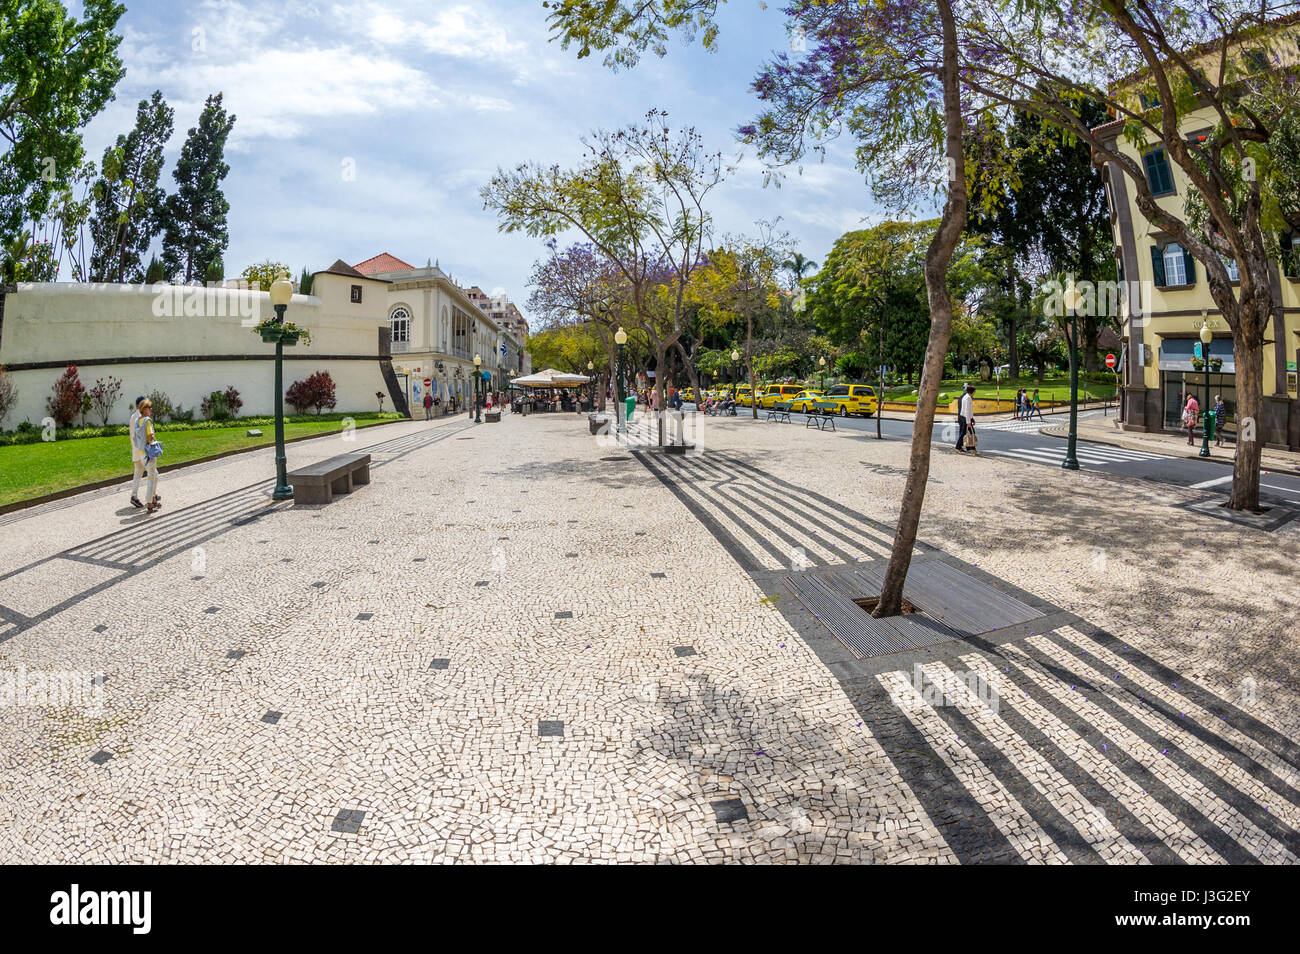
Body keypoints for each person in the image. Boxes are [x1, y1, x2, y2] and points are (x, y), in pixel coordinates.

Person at [132, 397, 162, 513]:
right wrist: (152, 439)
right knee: (151, 477)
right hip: (149, 453)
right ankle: (149, 503)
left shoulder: (137, 421)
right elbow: (150, 436)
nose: (151, 409)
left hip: (141, 453)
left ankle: (153, 498)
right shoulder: (147, 421)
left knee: (155, 474)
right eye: (149, 407)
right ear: (144, 409)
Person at [956, 384, 976, 453]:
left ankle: (969, 448)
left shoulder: (965, 397)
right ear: (972, 392)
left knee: (965, 433)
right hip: (965, 418)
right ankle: (970, 448)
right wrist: (968, 422)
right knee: (969, 433)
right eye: (974, 392)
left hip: (964, 417)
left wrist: (971, 418)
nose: (975, 393)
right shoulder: (968, 398)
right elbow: (967, 410)